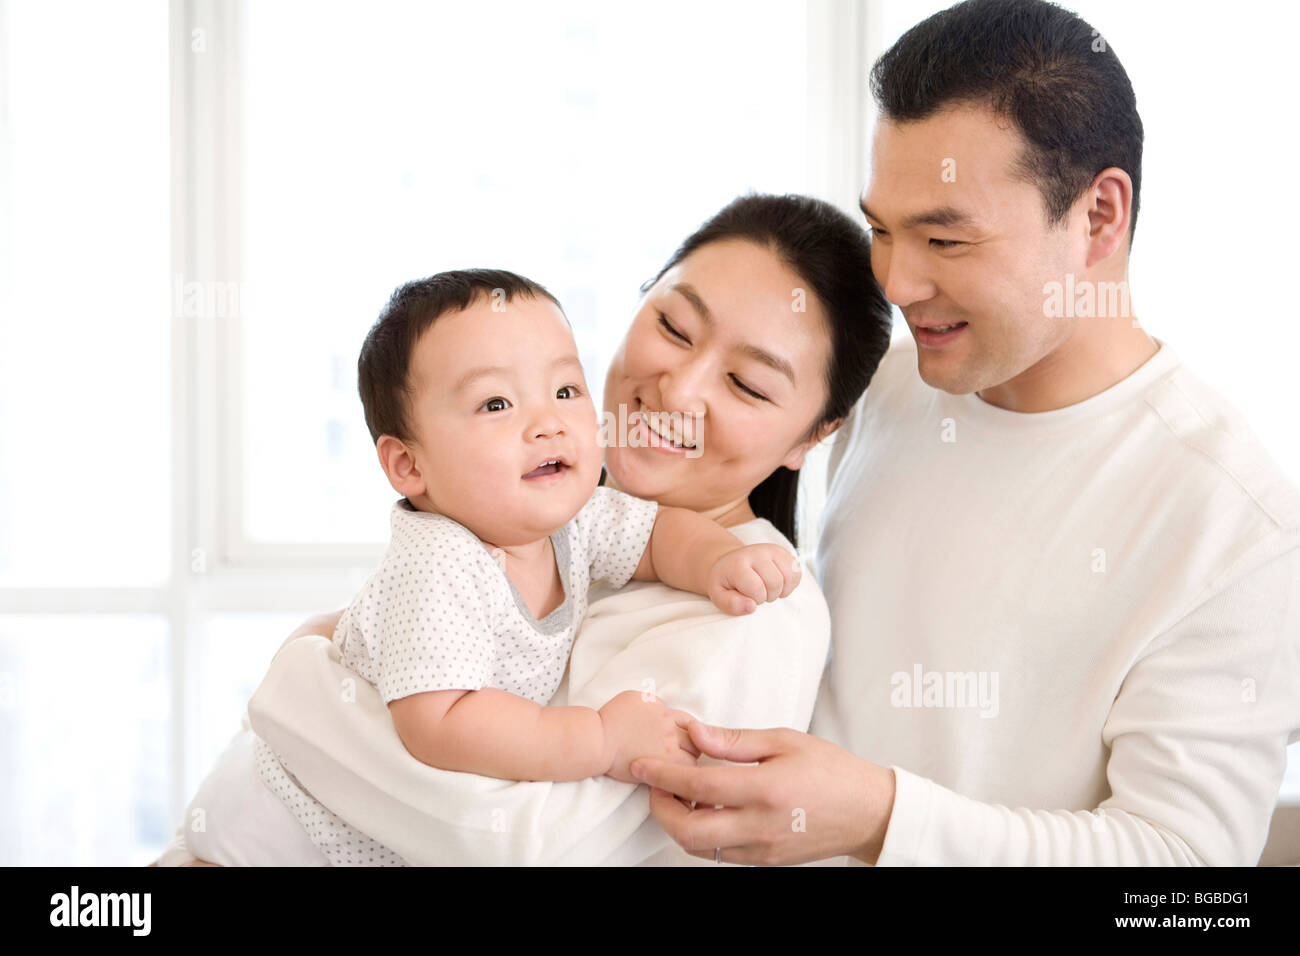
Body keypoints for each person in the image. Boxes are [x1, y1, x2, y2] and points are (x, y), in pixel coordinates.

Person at [630, 0, 1300, 866]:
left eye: (946, 238)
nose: (898, 283)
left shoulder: (1237, 529)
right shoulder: (889, 386)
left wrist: (882, 819)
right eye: (880, 229)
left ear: (1099, 215)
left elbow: (1183, 889)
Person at [154, 193, 893, 866]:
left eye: (747, 384)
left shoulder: (758, 613)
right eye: (673, 326)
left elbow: (520, 847)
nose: (680, 388)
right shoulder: (528, 511)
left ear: (813, 436)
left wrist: (297, 684)